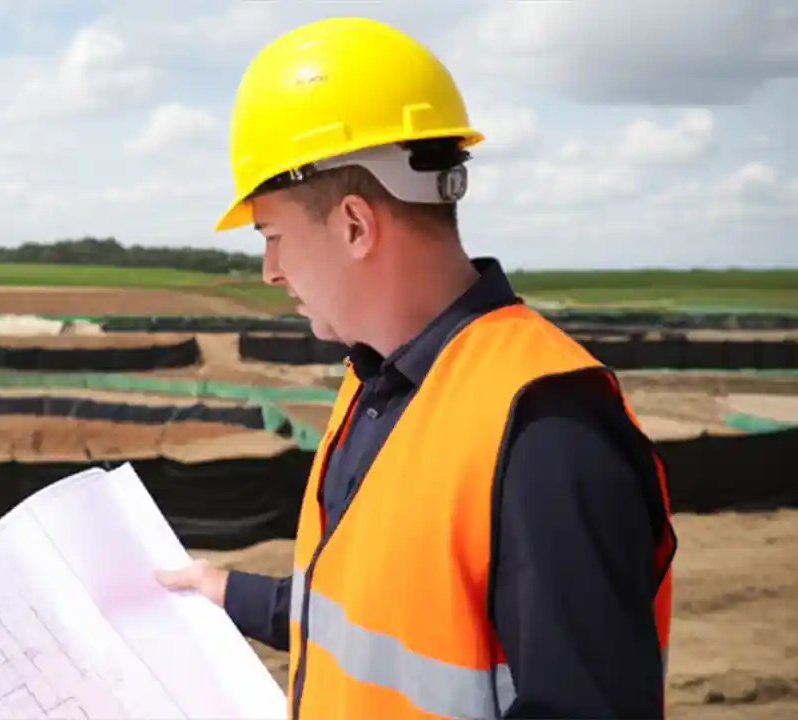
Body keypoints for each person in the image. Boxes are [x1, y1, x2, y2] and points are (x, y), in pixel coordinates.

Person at [155, 17, 677, 719]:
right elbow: (375, 610)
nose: (270, 271)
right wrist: (228, 593)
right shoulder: (379, 385)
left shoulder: (544, 431)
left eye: (272, 236)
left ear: (354, 225)